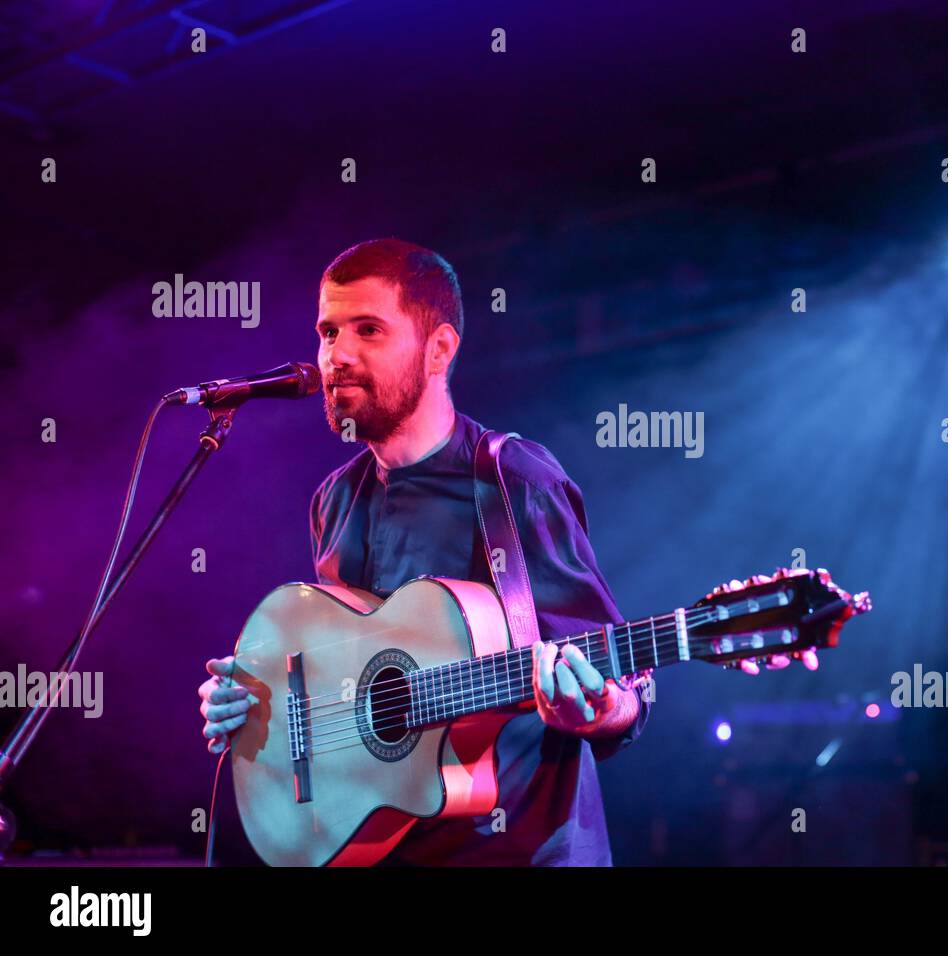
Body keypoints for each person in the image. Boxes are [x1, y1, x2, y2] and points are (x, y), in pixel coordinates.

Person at [197, 238, 649, 865]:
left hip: (519, 849)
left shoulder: (515, 480)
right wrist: (258, 703)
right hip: (385, 849)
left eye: (369, 330)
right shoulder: (335, 500)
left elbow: (625, 679)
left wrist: (603, 707)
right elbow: (337, 673)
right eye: (328, 332)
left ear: (439, 349)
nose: (337, 355)